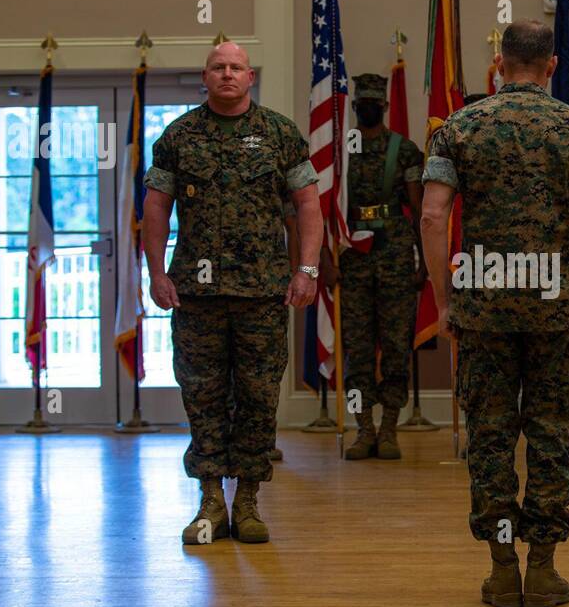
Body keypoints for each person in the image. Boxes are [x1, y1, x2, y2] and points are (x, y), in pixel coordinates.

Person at [420, 19, 569, 607]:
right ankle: (545, 569)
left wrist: (446, 299)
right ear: (553, 66)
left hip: (483, 311)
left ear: (499, 62)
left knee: (490, 437)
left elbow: (433, 219)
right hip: (559, 313)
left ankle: (502, 567)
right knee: (551, 436)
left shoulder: (458, 129)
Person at [143, 42, 323, 545]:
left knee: (258, 397)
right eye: (218, 67)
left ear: (250, 78)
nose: (227, 74)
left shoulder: (279, 134)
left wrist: (306, 269)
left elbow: (308, 207)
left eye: (236, 68)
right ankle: (209, 501)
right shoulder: (178, 137)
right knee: (202, 396)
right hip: (195, 296)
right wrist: (156, 272)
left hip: (263, 294)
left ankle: (247, 502)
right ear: (206, 76)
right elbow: (155, 209)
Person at [318, 73, 425, 460]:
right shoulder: (338, 154)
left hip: (395, 256)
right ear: (354, 106)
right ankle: (363, 429)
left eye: (373, 101)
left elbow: (418, 212)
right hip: (352, 260)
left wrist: (424, 265)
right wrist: (325, 262)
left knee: (396, 346)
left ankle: (390, 428)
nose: (367, 106)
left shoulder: (406, 151)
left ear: (384, 105)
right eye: (361, 101)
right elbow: (323, 209)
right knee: (357, 350)